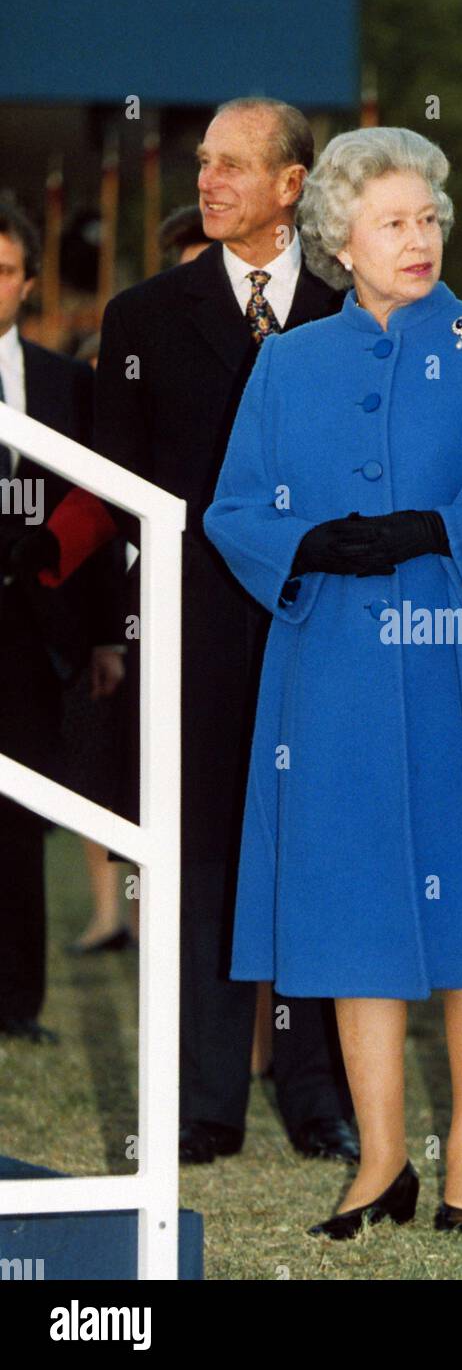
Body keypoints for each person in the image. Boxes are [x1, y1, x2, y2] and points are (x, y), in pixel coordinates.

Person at [203, 125, 462, 1240]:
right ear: (339, 236)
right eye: (392, 222)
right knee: (350, 911)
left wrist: (442, 524)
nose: (418, 238)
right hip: (329, 671)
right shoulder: (286, 362)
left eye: (428, 217)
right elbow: (232, 508)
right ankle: (379, 1158)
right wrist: (304, 547)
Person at [52, 97, 358, 1165]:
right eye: (203, 164)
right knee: (195, 872)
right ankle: (201, 1102)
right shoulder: (143, 316)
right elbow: (104, 486)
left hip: (328, 632)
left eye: (234, 166)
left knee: (316, 861)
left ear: (292, 185)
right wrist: (98, 619)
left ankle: (321, 1095)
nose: (209, 182)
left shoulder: (351, 308)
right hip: (191, 637)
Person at [0, 202, 124, 1036]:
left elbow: (107, 508)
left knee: (20, 825)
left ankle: (15, 1005)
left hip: (33, 641)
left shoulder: (64, 385)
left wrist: (108, 631)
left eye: (4, 270)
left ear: (30, 283)